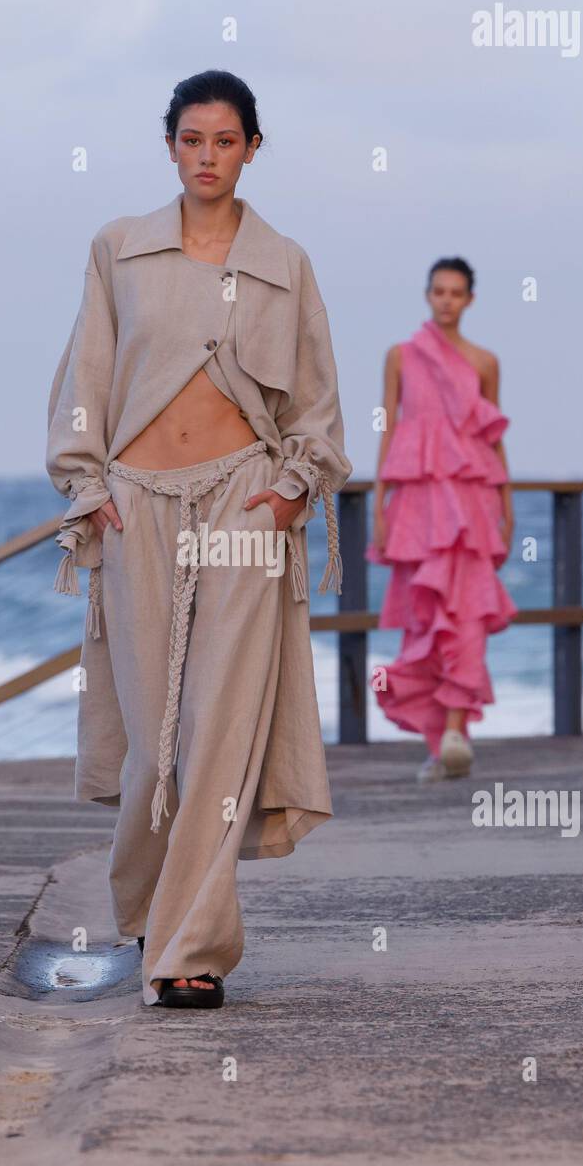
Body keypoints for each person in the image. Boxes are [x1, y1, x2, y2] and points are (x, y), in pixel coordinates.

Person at [46, 70, 352, 1008]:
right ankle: (145, 903)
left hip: (244, 506)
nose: (207, 157)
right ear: (171, 146)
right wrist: (88, 487)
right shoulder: (118, 250)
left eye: (225, 141)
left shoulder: (285, 262)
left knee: (219, 727)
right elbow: (87, 373)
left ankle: (190, 950)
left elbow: (317, 405)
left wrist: (293, 490)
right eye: (191, 140)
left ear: (252, 148)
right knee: (155, 736)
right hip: (137, 502)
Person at [366, 258, 516, 783]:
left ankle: (454, 731)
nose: (447, 300)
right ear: (428, 295)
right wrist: (381, 502)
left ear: (470, 300)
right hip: (417, 507)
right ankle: (441, 744)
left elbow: (492, 437)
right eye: (439, 291)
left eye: (456, 293)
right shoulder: (402, 357)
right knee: (423, 617)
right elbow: (389, 428)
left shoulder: (485, 362)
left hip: (471, 506)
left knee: (467, 615)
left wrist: (507, 504)